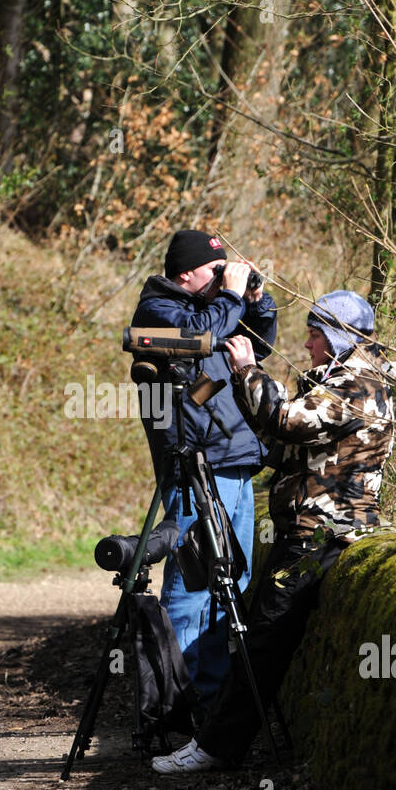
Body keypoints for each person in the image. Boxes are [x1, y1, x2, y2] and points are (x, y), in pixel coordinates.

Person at [152, 290, 396, 773]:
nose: (306, 345)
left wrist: (247, 369)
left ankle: (215, 749)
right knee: (259, 637)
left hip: (322, 533)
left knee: (260, 642)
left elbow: (287, 421)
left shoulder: (357, 385)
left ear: (337, 336)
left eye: (313, 334)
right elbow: (287, 442)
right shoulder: (349, 377)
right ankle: (220, 741)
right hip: (317, 529)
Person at [131, 229, 278, 717]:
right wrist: (232, 294)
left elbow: (259, 347)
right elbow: (200, 338)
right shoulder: (158, 310)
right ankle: (180, 701)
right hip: (193, 463)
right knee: (195, 579)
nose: (221, 276)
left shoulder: (217, 307)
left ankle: (211, 698)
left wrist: (256, 301)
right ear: (186, 272)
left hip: (234, 459)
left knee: (233, 578)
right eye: (213, 270)